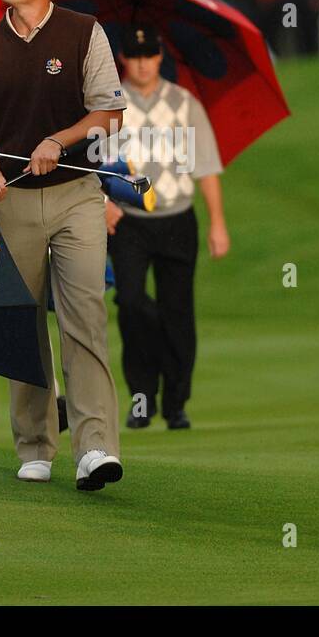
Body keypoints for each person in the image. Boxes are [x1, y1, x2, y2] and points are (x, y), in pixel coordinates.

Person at [0, 0, 127, 491]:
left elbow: (108, 114)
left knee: (85, 314)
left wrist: (60, 139)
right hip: (14, 202)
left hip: (78, 194)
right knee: (22, 322)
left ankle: (95, 447)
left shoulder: (83, 32)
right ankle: (34, 444)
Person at [107, 25, 229, 430]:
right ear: (124, 59)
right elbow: (95, 167)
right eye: (134, 55)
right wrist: (105, 204)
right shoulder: (109, 106)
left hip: (177, 218)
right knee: (130, 302)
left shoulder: (184, 103)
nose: (142, 63)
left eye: (149, 55)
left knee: (180, 313)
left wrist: (218, 224)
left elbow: (206, 167)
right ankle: (141, 398)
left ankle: (176, 401)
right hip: (129, 221)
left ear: (160, 57)